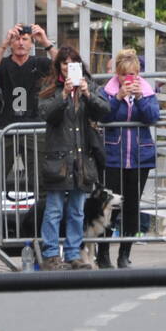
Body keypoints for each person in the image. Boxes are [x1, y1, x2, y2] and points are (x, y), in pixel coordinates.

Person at [39, 47, 111, 270]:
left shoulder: (88, 85)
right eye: (64, 63)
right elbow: (46, 114)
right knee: (54, 210)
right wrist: (62, 96)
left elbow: (105, 110)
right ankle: (51, 254)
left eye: (73, 63)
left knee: (77, 210)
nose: (68, 67)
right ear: (59, 66)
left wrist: (88, 94)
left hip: (81, 159)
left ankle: (73, 254)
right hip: (58, 159)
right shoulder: (51, 87)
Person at [100, 48, 160, 269]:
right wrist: (118, 98)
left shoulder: (146, 91)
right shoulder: (106, 91)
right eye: (124, 74)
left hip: (138, 158)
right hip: (113, 158)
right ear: (117, 73)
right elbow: (103, 116)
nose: (129, 79)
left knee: (132, 208)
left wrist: (140, 97)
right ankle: (103, 253)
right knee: (109, 208)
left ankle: (125, 253)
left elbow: (153, 116)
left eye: (133, 73)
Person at [0, 23, 56, 127]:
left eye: (25, 39)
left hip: (34, 125)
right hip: (5, 126)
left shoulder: (40, 63)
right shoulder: (2, 63)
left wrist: (46, 42)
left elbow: (63, 65)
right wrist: (5, 43)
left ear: (31, 44)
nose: (20, 43)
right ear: (11, 44)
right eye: (16, 39)